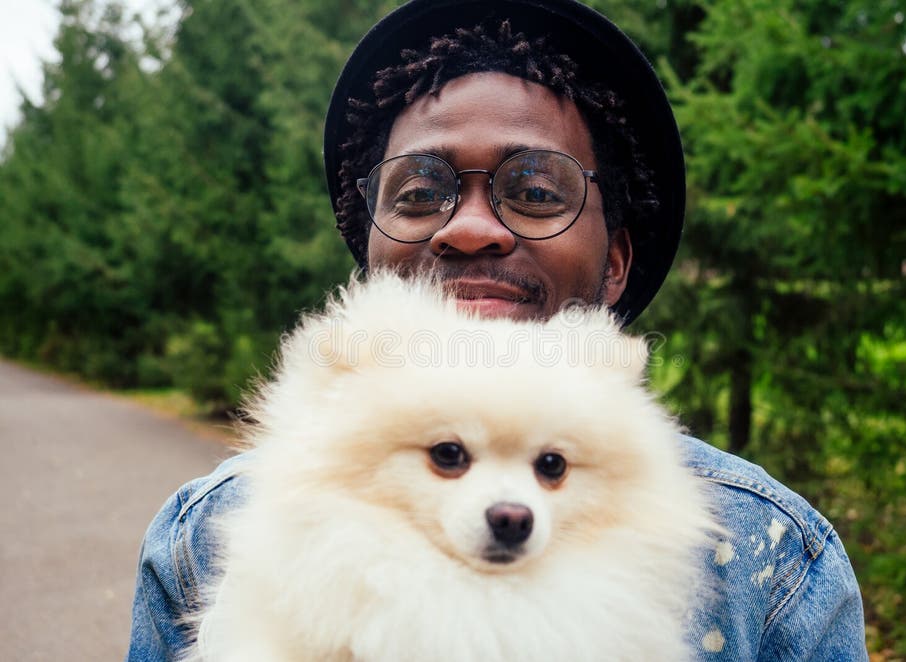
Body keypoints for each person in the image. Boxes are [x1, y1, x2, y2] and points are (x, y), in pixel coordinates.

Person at [126, 1, 868, 659]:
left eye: (535, 190)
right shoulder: (205, 532)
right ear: (372, 250)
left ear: (615, 262)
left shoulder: (774, 561)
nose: (472, 228)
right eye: (420, 192)